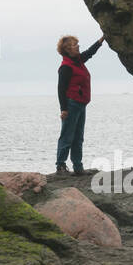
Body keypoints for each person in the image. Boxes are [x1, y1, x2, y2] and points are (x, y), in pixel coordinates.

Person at [55, 33, 104, 175]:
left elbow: (89, 53)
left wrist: (101, 40)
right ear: (68, 50)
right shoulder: (66, 67)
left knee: (78, 137)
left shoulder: (78, 61)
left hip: (81, 104)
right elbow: (61, 89)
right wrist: (63, 109)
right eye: (74, 45)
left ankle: (77, 166)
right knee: (67, 136)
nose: (77, 46)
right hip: (71, 104)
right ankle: (60, 166)